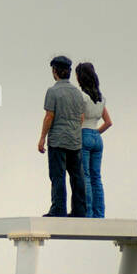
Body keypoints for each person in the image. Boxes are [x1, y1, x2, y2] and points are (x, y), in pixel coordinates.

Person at [38, 56, 87, 216]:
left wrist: (42, 138)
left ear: (55, 71)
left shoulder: (52, 92)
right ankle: (80, 209)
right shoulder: (77, 93)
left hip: (58, 140)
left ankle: (58, 208)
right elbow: (81, 117)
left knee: (58, 176)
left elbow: (49, 116)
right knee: (77, 176)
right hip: (75, 140)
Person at [75, 61, 112, 218]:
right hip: (97, 137)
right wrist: (95, 133)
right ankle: (99, 213)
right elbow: (108, 122)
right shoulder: (100, 97)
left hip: (84, 134)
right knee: (97, 177)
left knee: (86, 176)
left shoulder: (82, 96)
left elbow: (81, 119)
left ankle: (88, 212)